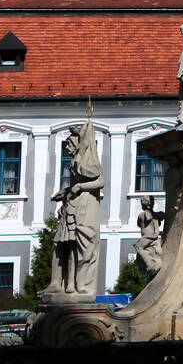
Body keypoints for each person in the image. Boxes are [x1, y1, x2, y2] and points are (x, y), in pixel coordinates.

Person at [50, 119, 104, 295]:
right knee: (67, 244)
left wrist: (80, 187)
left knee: (82, 245)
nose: (66, 148)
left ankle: (81, 285)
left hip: (86, 206)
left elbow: (100, 181)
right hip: (73, 205)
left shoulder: (87, 162)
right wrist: (65, 192)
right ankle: (65, 284)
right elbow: (76, 186)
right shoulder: (74, 162)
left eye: (69, 144)